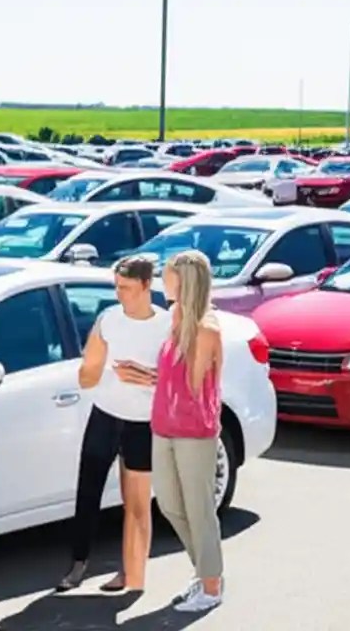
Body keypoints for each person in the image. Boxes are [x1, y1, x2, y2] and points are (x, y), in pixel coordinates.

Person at [58, 255, 171, 593]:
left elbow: (177, 377)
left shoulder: (167, 326)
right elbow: (85, 376)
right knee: (88, 490)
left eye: (127, 288)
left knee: (136, 504)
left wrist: (149, 376)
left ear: (147, 285)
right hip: (106, 415)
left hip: (143, 423)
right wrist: (115, 373)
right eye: (117, 287)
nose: (120, 294)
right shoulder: (109, 320)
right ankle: (78, 564)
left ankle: (131, 573)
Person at [152, 250, 225, 612]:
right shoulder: (175, 317)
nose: (162, 282)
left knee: (199, 508)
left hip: (194, 430)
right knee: (168, 502)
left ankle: (211, 586)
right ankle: (207, 570)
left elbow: (194, 388)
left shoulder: (207, 328)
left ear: (185, 282)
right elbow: (170, 376)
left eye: (167, 276)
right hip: (164, 426)